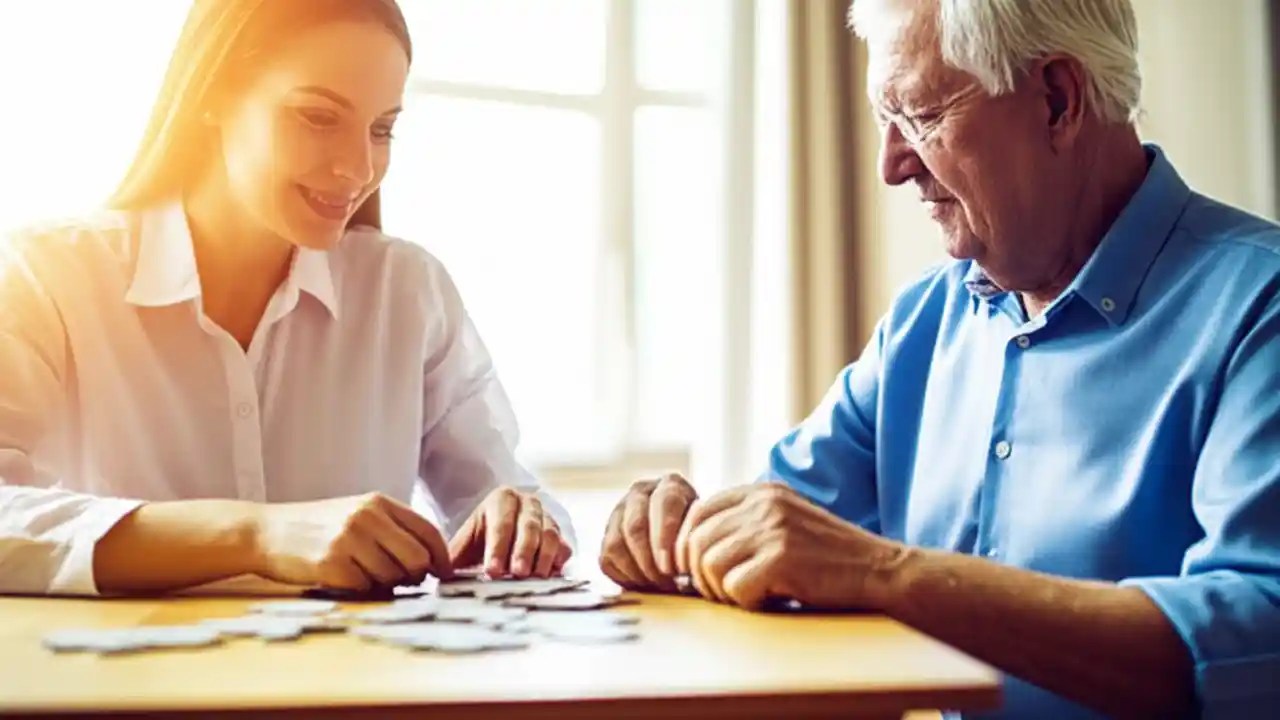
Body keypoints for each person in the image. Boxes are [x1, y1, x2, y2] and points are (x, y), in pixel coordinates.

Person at [599, 0, 1280, 717]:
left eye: (918, 115)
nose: (892, 165)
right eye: (882, 118)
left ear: (1057, 100)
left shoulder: (1259, 306)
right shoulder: (926, 319)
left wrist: (886, 573)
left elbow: (1258, 636)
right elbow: (786, 531)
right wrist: (681, 535)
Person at [0, 0, 573, 598]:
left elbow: (513, 498)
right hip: (124, 689)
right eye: (318, 117)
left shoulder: (407, 291)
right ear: (211, 96)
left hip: (352, 685)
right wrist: (255, 536)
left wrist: (521, 525)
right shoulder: (47, 276)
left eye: (381, 129)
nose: (358, 168)